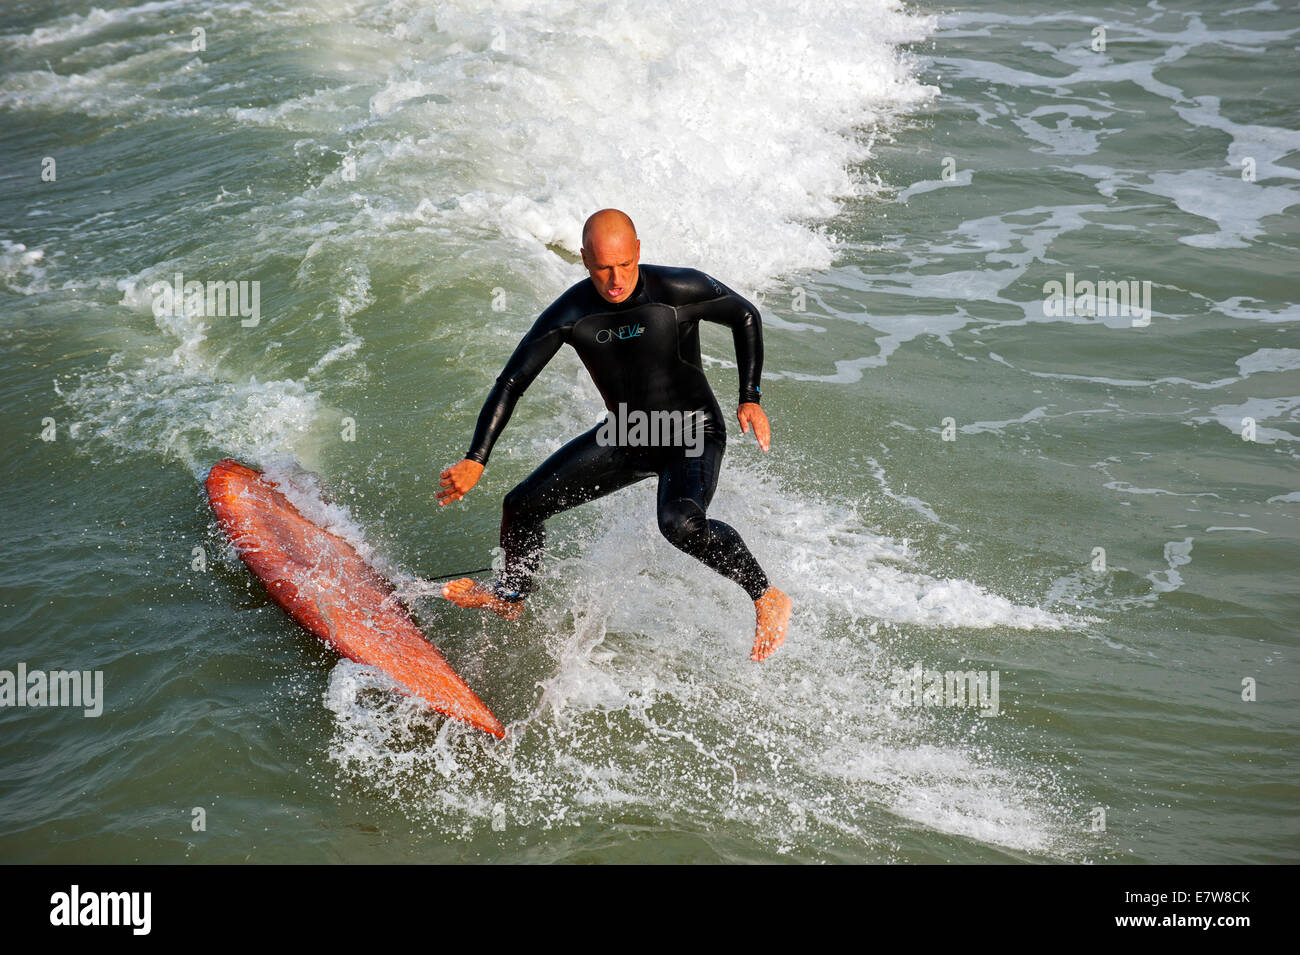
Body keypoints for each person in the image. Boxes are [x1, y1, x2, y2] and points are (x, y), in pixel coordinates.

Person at [437, 209, 791, 661]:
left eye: (625, 265)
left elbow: (744, 315)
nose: (616, 278)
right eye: (603, 268)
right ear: (584, 259)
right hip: (629, 433)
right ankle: (510, 598)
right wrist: (476, 458)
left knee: (680, 524)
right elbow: (512, 382)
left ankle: (766, 596)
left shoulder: (677, 290)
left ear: (638, 251)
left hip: (692, 432)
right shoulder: (571, 313)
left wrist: (750, 396)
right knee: (522, 506)